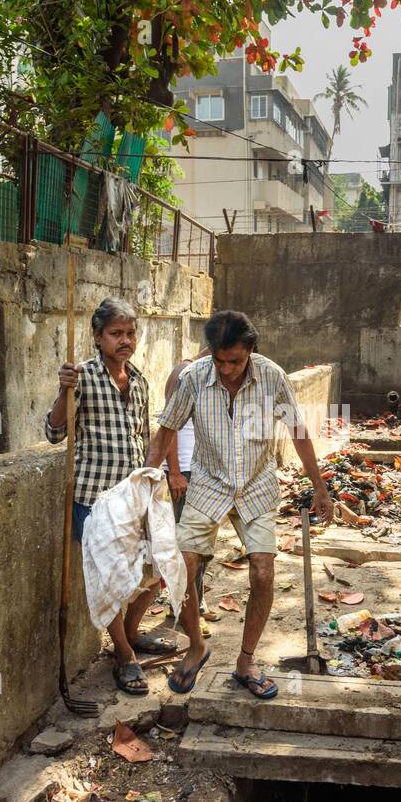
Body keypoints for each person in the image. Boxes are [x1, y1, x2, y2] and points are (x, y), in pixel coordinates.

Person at [145, 311, 334, 699]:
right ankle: (197, 646)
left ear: (251, 350)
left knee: (263, 574)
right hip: (209, 482)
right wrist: (145, 482)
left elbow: (298, 433)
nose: (227, 369)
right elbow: (165, 431)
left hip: (256, 486)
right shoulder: (194, 378)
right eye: (220, 360)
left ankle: (246, 661)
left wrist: (320, 488)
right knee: (182, 566)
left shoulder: (272, 377)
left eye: (236, 360)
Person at [45, 297, 176, 696]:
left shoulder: (138, 380)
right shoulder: (81, 377)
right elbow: (54, 433)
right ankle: (123, 655)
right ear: (98, 337)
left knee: (157, 566)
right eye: (116, 334)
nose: (125, 340)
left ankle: (132, 633)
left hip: (135, 493)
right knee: (108, 580)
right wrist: (61, 392)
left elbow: (144, 437)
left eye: (130, 333)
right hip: (93, 496)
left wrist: (158, 479)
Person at [163, 351, 211, 618]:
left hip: (200, 471)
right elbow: (168, 425)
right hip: (184, 470)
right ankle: (182, 607)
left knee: (198, 544)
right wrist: (174, 472)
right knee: (186, 545)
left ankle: (196, 601)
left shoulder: (206, 374)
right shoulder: (184, 371)